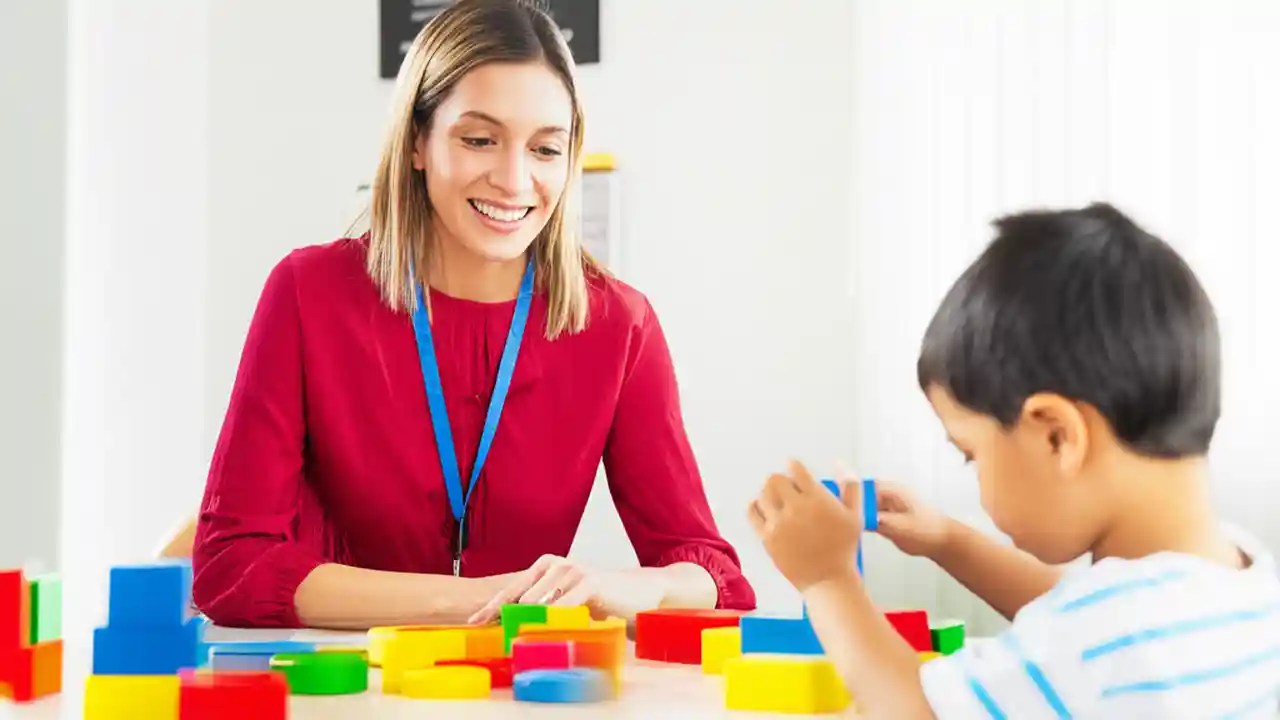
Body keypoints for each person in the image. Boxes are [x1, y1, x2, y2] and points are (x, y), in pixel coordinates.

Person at [192, 0, 754, 630]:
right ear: (417, 143)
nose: (515, 182)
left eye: (545, 150)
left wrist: (619, 587)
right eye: (480, 140)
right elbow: (230, 567)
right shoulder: (307, 292)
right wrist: (485, 599)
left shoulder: (619, 324)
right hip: (348, 681)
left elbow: (714, 576)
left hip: (517, 686)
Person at [749, 204, 1280, 718]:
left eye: (971, 455)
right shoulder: (1239, 577)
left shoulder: (1107, 632)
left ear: (1055, 437)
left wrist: (827, 578)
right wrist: (946, 540)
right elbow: (1074, 613)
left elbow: (913, 711)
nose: (976, 476)